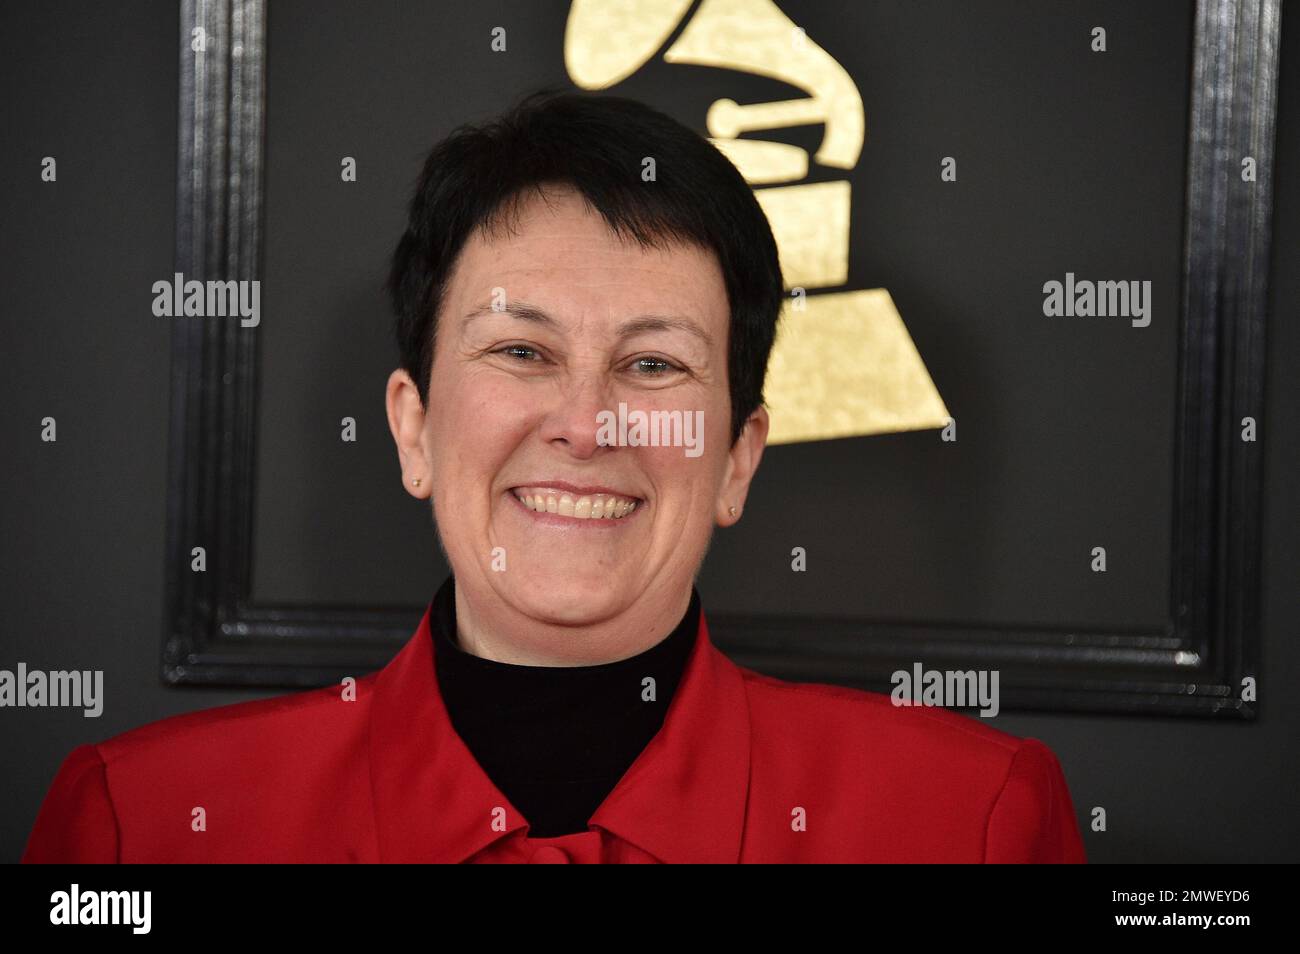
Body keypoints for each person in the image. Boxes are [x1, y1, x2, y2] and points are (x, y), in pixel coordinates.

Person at [23, 90, 1085, 863]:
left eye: (654, 364)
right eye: (521, 351)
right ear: (414, 428)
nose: (586, 425)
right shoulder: (144, 827)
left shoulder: (971, 821)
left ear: (738, 460)